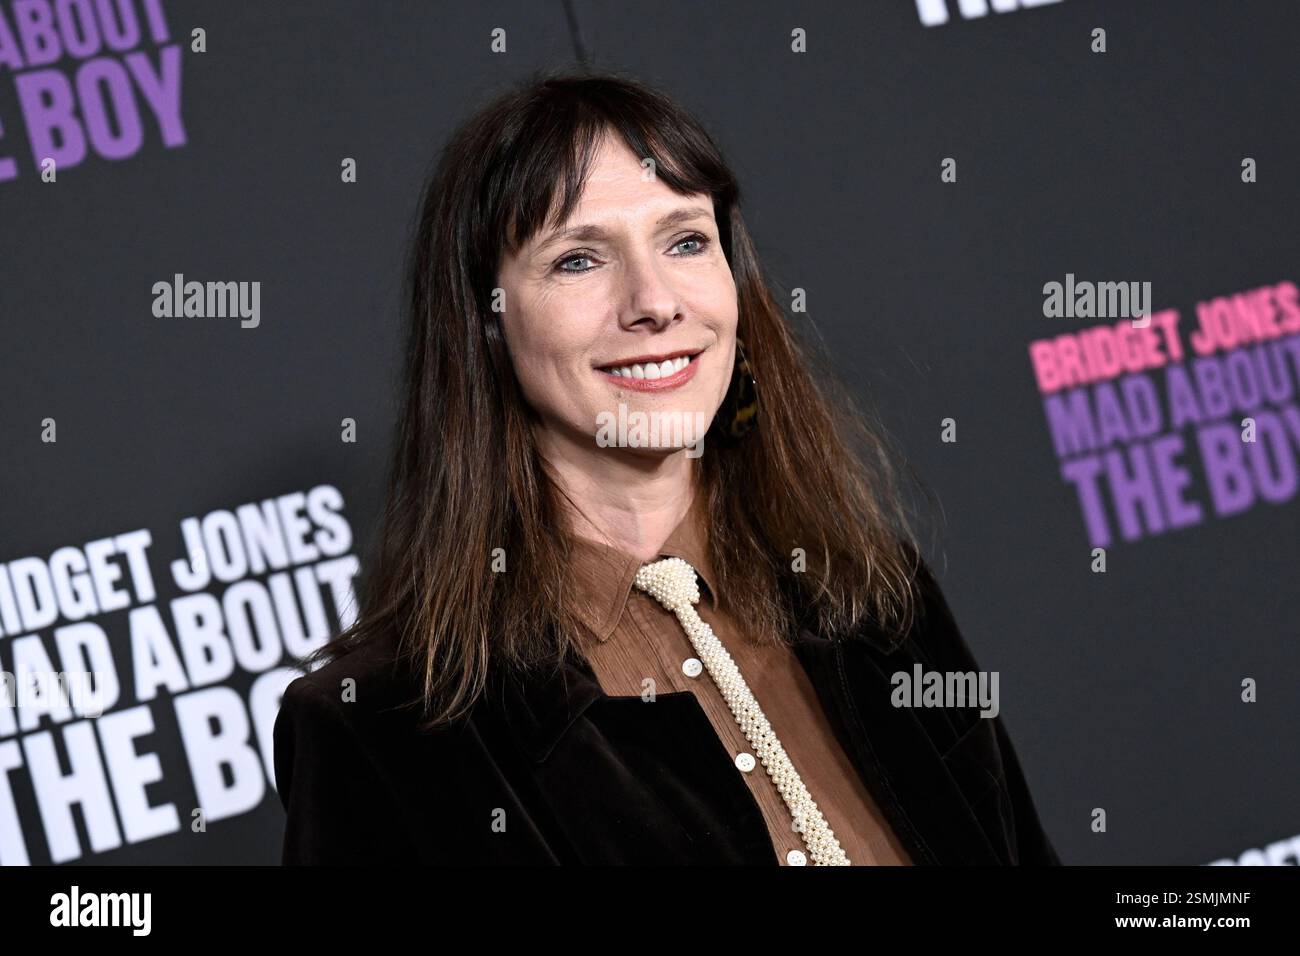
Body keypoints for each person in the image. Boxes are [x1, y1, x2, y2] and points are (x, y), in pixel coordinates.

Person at [272, 69, 1060, 866]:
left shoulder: (880, 600)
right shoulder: (380, 730)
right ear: (484, 321)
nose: (654, 301)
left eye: (686, 240)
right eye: (579, 259)